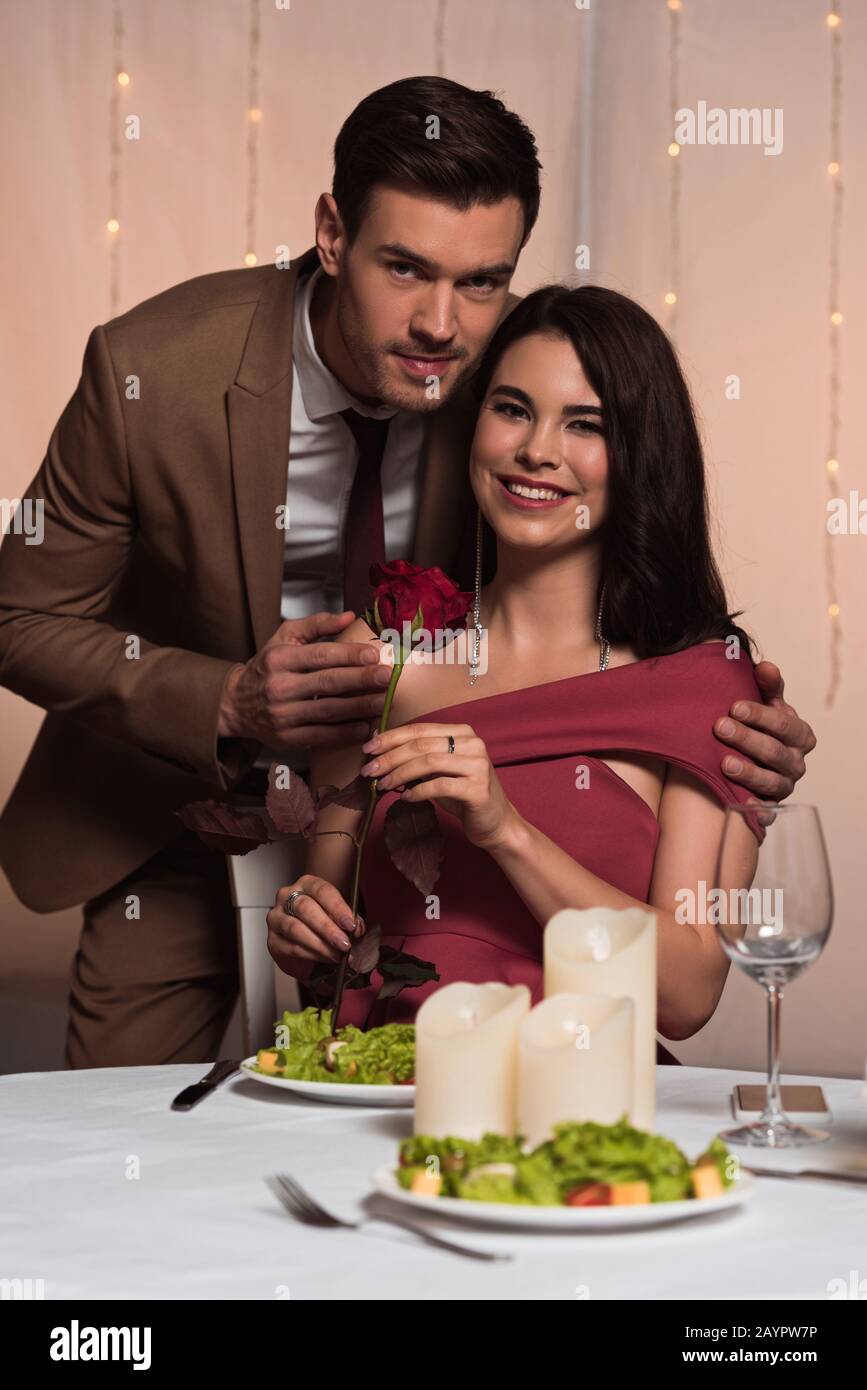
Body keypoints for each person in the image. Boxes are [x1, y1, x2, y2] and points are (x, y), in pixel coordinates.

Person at [0, 78, 814, 1068]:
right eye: (404, 269)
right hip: (175, 801)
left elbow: (612, 502)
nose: (442, 324)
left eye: (482, 282)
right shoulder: (152, 372)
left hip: (415, 815)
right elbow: (16, 613)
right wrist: (229, 700)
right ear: (333, 234)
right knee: (124, 1129)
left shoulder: (510, 362)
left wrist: (712, 730)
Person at [267, 283, 782, 1045]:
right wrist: (301, 925)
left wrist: (505, 830)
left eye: (585, 425)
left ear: (641, 455)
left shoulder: (704, 691)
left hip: (576, 1095)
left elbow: (686, 993)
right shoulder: (380, 660)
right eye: (512, 408)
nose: (536, 449)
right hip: (375, 1093)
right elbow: (331, 950)